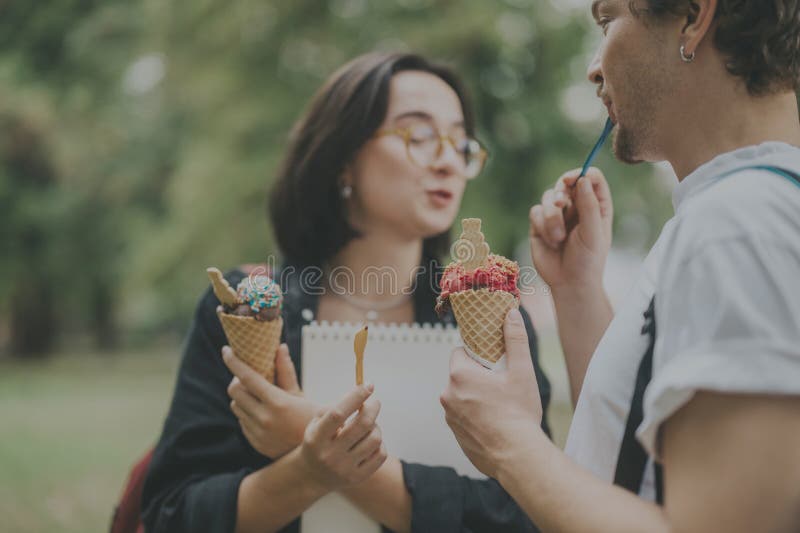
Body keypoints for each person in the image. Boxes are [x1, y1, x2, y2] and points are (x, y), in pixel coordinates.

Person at [141, 52, 553, 533]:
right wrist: (307, 470)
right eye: (418, 135)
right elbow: (173, 515)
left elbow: (525, 516)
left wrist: (307, 437)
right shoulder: (241, 310)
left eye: (460, 142)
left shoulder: (500, 319)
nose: (447, 160)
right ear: (343, 160)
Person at [441, 0, 800, 531]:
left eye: (608, 21)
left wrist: (508, 442)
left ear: (693, 17)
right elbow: (634, 448)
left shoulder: (739, 223)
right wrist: (577, 287)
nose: (593, 67)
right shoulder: (733, 211)